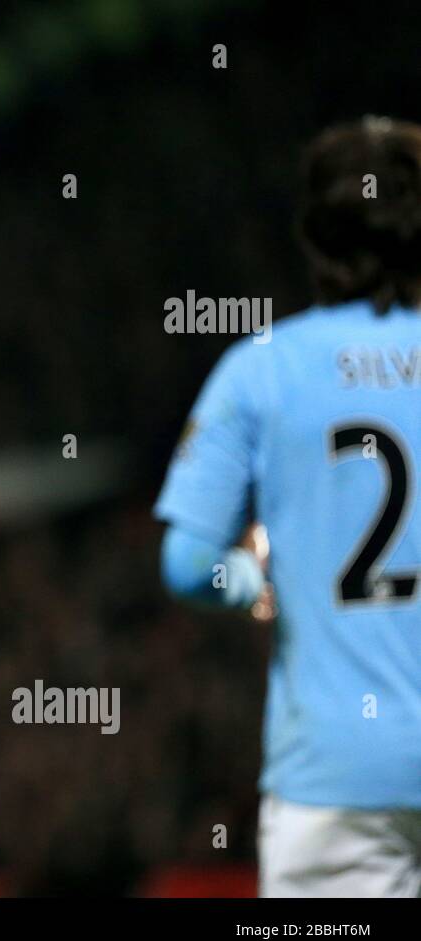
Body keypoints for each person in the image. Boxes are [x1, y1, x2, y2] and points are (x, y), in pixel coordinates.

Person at [155, 117, 421, 896]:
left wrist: (248, 576)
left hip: (333, 781)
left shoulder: (261, 369)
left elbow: (186, 568)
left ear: (315, 237)